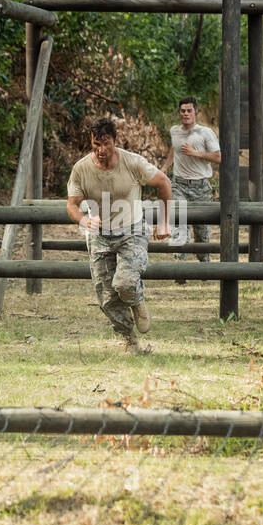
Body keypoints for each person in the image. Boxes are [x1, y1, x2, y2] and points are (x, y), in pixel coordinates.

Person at [67, 118, 173, 354]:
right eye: (96, 144)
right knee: (107, 298)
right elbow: (72, 205)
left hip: (131, 231)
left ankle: (137, 299)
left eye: (106, 143)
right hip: (100, 236)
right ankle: (130, 340)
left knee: (124, 283)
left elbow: (164, 183)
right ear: (91, 142)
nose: (101, 150)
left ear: (115, 141)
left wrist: (164, 220)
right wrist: (85, 220)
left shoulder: (132, 162)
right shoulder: (81, 169)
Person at [160, 97, 221, 282]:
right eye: (182, 111)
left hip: (201, 187)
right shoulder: (175, 131)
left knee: (202, 233)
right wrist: (164, 168)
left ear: (196, 112)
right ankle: (180, 271)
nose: (185, 114)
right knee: (180, 227)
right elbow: (174, 150)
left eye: (189, 110)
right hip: (179, 185)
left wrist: (196, 153)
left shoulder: (205, 133)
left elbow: (218, 157)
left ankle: (205, 271)